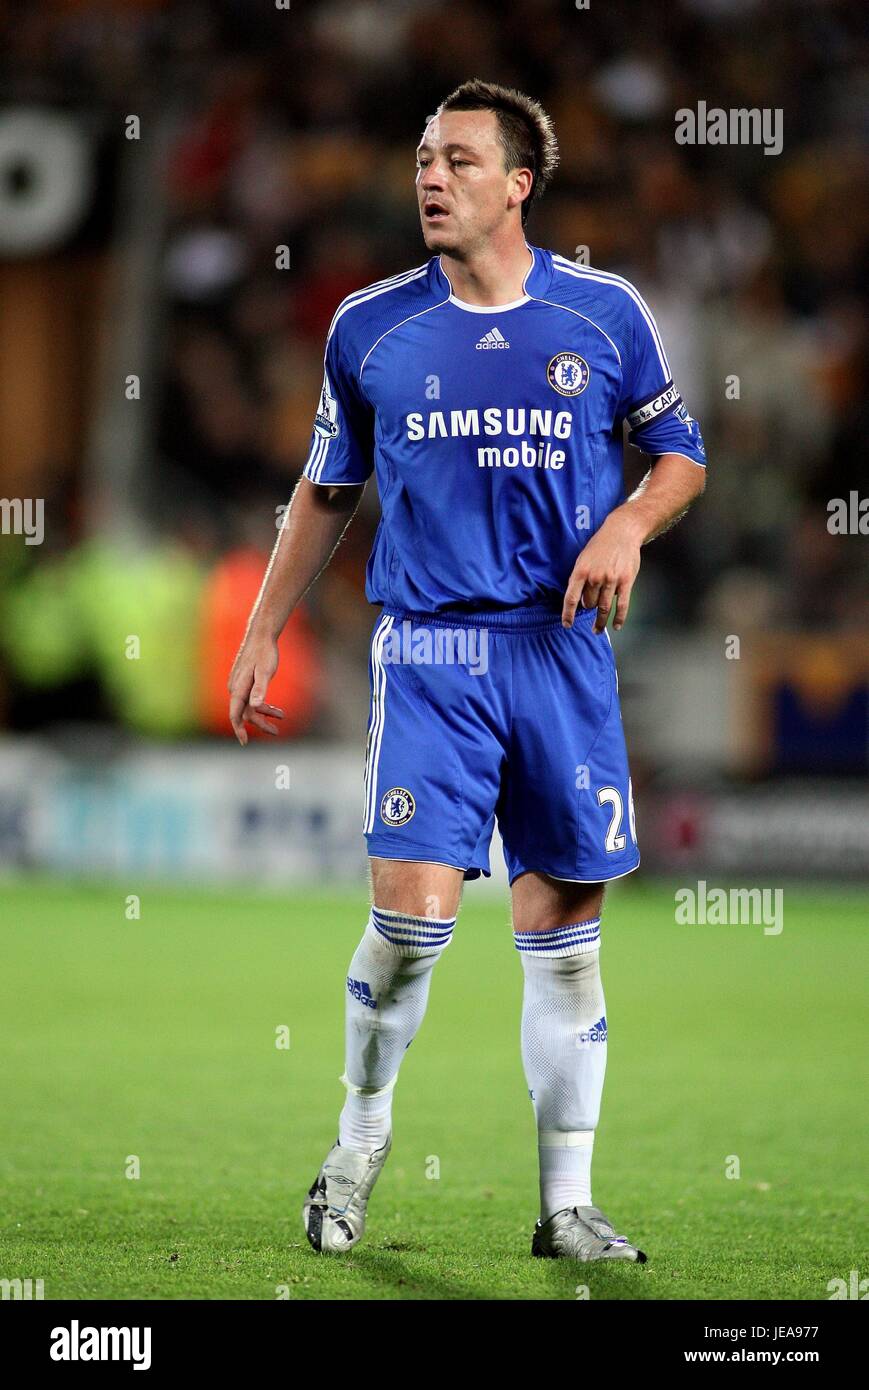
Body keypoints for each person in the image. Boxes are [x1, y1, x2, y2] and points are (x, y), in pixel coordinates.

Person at [228, 79, 707, 1264]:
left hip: (560, 655)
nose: (428, 178)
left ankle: (565, 1205)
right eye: (420, 159)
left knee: (566, 939)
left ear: (516, 184)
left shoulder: (603, 315)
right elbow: (324, 490)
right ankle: (356, 1144)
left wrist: (626, 527)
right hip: (432, 654)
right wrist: (261, 624)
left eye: (455, 159)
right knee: (409, 931)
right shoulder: (369, 327)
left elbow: (679, 457)